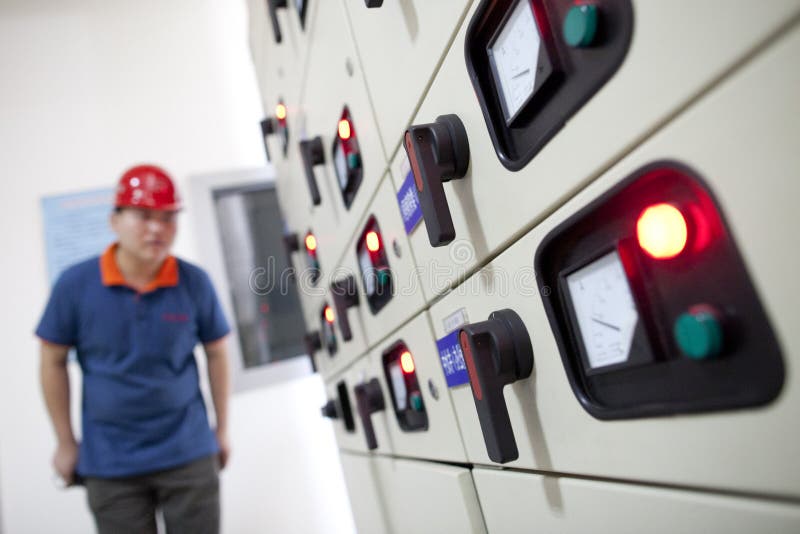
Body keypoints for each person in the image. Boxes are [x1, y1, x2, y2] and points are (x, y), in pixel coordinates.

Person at [36, 164, 232, 534]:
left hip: (187, 451)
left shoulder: (194, 282)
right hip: (110, 463)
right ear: (114, 220)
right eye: (144, 216)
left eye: (168, 217)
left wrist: (221, 430)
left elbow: (218, 352)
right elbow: (52, 361)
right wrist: (64, 441)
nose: (157, 228)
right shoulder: (75, 285)